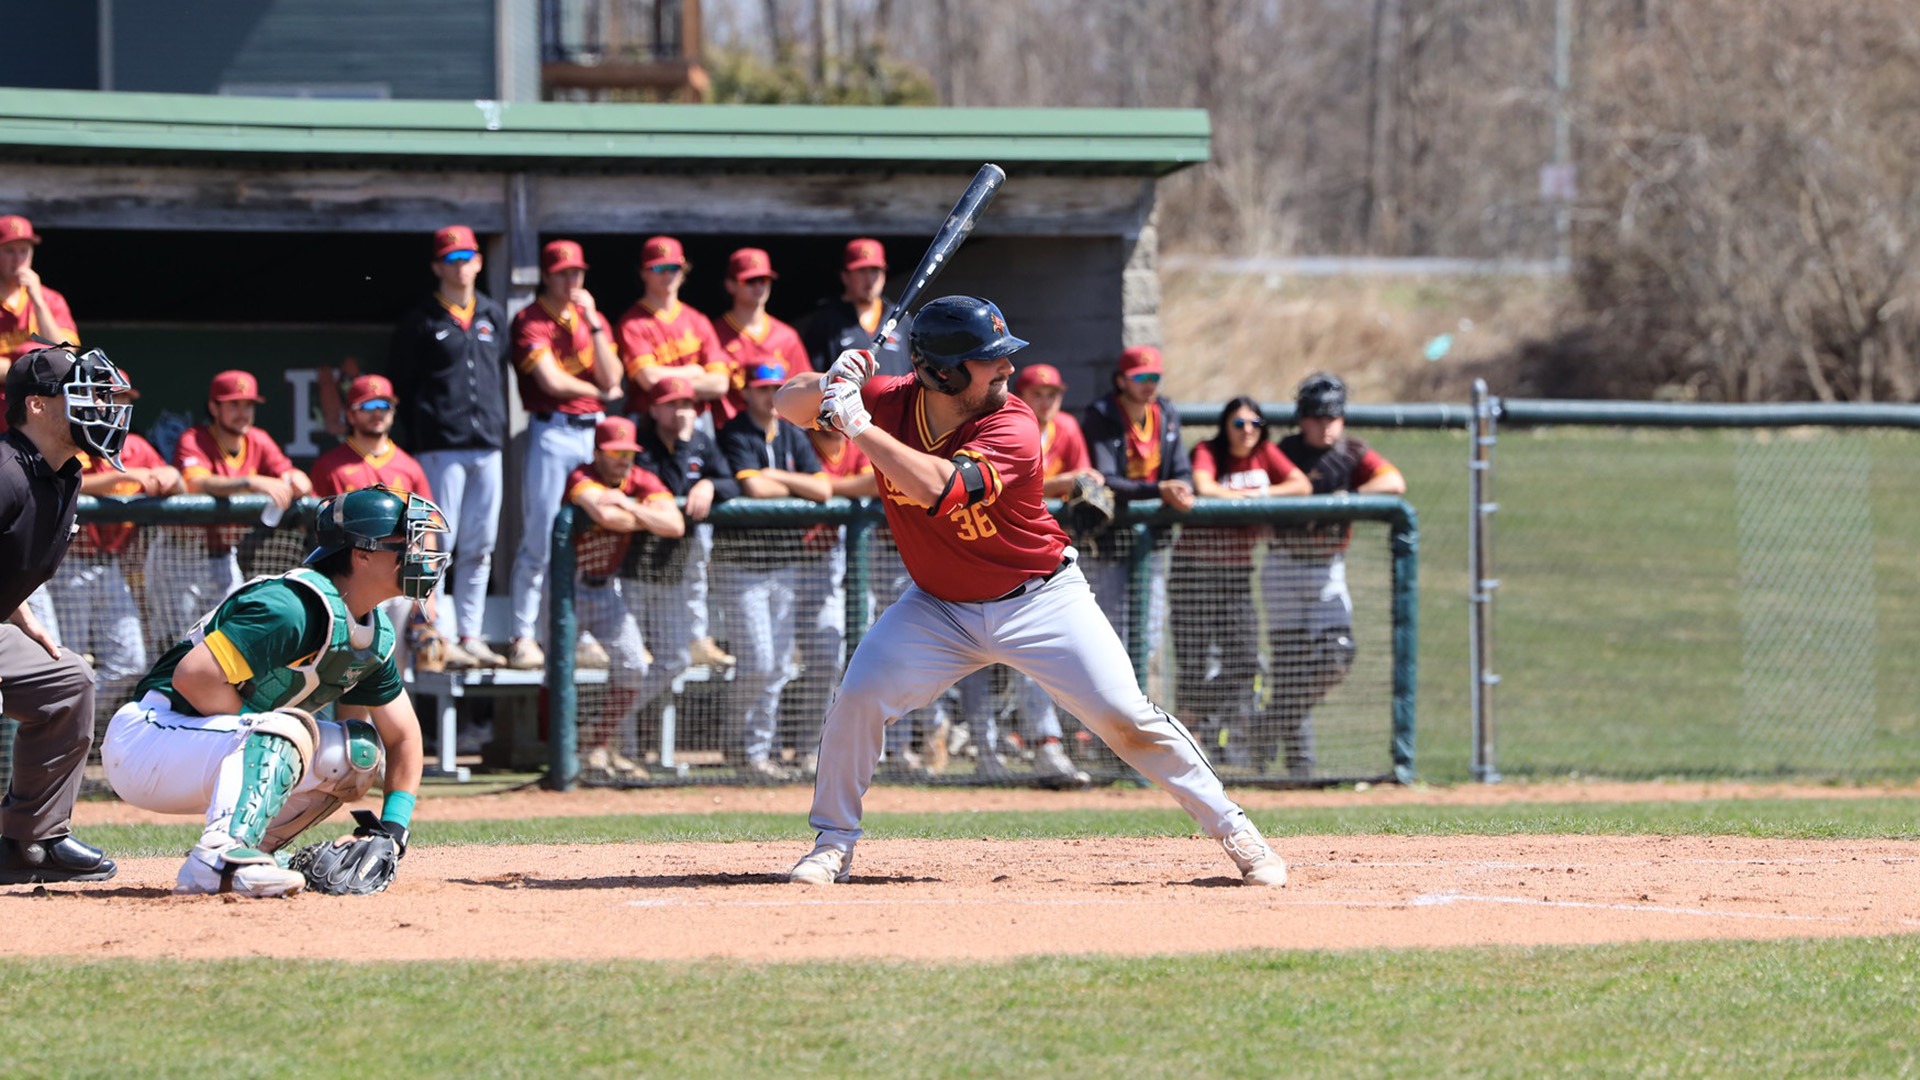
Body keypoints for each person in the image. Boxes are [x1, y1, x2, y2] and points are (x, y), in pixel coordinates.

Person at [776, 295, 1287, 887]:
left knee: (1125, 717)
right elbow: (789, 404)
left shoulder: (1013, 423)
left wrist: (856, 424)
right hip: (938, 607)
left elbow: (940, 488)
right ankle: (833, 841)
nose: (1007, 368)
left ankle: (1235, 828)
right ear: (943, 371)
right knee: (858, 699)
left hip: (1041, 599)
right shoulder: (889, 400)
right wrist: (832, 379)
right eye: (988, 359)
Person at [103, 484, 448, 897]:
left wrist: (392, 832)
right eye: (405, 544)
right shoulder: (293, 607)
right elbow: (193, 677)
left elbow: (403, 737)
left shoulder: (371, 635)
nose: (419, 554)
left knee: (358, 755)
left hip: (213, 748)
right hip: (149, 740)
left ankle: (255, 854)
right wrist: (261, 730)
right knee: (288, 729)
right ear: (362, 553)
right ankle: (220, 856)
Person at [0, 345, 130, 884]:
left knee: (68, 682)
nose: (99, 409)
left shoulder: (63, 475)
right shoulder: (5, 473)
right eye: (82, 396)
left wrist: (15, 607)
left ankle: (32, 839)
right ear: (36, 406)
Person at [1264, 373, 1406, 776]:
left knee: (1336, 656)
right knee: (1289, 665)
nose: (1326, 425)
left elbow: (1394, 481)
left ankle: (1265, 726)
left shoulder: (1351, 451)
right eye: (1317, 416)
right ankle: (1299, 767)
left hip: (1327, 567)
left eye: (1333, 416)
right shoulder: (1284, 452)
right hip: (1284, 565)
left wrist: (1353, 497)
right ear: (1302, 418)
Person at [388, 224, 510, 669]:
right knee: (439, 542)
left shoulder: (492, 315)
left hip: (487, 446)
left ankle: (471, 633)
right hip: (440, 446)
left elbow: (500, 368)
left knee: (481, 545)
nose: (461, 268)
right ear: (438, 266)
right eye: (452, 260)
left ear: (479, 261)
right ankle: (431, 632)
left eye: (468, 258)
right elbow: (402, 382)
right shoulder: (421, 318)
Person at [505, 238, 624, 670]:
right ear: (547, 275)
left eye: (578, 272)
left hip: (592, 434)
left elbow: (616, 375)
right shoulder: (530, 318)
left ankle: (575, 632)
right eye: (563, 273)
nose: (572, 279)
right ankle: (522, 635)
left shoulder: (590, 317)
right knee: (540, 535)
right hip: (553, 430)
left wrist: (592, 321)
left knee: (586, 537)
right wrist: (600, 392)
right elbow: (554, 382)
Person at [614, 235, 733, 670]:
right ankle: (635, 638)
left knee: (696, 554)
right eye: (660, 268)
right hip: (649, 434)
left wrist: (675, 381)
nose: (668, 276)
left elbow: (720, 384)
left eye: (675, 268)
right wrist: (693, 373)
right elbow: (647, 382)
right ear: (645, 272)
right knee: (639, 554)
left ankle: (695, 635)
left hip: (691, 433)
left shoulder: (698, 321)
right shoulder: (633, 321)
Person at [1180, 396, 1310, 770]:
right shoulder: (1208, 450)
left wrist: (1259, 495)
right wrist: (1239, 499)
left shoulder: (1266, 453)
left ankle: (1185, 716)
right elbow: (1204, 486)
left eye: (1255, 423)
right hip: (1193, 571)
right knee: (1193, 662)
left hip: (1236, 573)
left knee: (1245, 662)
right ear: (1226, 426)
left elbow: (1300, 485)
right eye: (1239, 424)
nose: (1247, 430)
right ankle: (1186, 745)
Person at [715, 360, 830, 782]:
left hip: (784, 564)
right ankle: (743, 745)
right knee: (759, 661)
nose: (769, 395)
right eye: (762, 388)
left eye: (775, 388)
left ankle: (755, 752)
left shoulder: (794, 434)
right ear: (746, 392)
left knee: (779, 664)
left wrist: (776, 474)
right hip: (740, 564)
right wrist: (784, 483)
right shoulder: (735, 432)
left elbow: (822, 489)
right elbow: (754, 488)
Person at [150, 369, 313, 650]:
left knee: (229, 639)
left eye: (248, 405)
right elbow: (196, 483)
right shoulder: (195, 438)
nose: (243, 412)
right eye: (234, 404)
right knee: (181, 645)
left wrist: (295, 480)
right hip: (181, 555)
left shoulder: (258, 440)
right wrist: (251, 482)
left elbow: (297, 477)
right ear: (214, 407)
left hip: (224, 556)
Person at [52, 367, 184, 702]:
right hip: (67, 564)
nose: (116, 407)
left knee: (129, 662)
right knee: (66, 659)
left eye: (122, 399)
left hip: (110, 565)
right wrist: (123, 479)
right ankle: (60, 726)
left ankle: (75, 722)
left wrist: (169, 475)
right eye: (110, 398)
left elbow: (179, 483)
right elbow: (61, 487)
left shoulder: (136, 446)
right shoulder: (70, 436)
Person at [565, 416, 684, 783]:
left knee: (634, 664)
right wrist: (644, 515)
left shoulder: (639, 480)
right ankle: (557, 752)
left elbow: (675, 525)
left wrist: (631, 506)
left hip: (606, 588)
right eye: (615, 453)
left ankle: (596, 742)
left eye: (628, 452)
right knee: (557, 670)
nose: (623, 460)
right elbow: (603, 514)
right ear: (598, 452)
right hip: (564, 588)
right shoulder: (580, 475)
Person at [627, 376, 740, 734]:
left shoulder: (702, 442)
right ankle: (614, 741)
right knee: (628, 662)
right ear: (654, 408)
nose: (683, 412)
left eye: (688, 405)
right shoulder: (640, 443)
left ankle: (612, 725)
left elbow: (730, 481)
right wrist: (686, 445)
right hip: (630, 567)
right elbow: (671, 486)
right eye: (674, 404)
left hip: (672, 568)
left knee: (674, 658)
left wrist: (708, 483)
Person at [310, 373, 441, 673]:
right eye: (368, 406)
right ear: (351, 414)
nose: (378, 412)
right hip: (349, 583)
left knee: (393, 674)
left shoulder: (409, 467)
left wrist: (426, 590)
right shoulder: (330, 466)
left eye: (384, 404)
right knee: (342, 671)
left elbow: (427, 531)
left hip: (397, 580)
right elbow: (320, 534)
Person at [1079, 345, 1192, 687]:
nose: (1149, 384)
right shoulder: (1102, 413)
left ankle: (1132, 707)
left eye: (1154, 377)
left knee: (1149, 630)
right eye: (1140, 377)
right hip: (1109, 537)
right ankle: (1098, 719)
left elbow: (1181, 471)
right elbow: (1107, 478)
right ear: (1121, 380)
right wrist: (1160, 491)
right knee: (1108, 627)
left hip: (1152, 538)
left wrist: (1180, 489)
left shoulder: (1166, 412)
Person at [788, 424, 877, 776]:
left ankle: (817, 747)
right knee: (771, 664)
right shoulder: (798, 440)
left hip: (830, 563)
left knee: (831, 655)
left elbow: (872, 483)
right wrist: (813, 488)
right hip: (780, 560)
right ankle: (757, 751)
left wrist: (819, 489)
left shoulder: (858, 441)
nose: (831, 419)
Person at [0, 216, 82, 432]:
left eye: (23, 251)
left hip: (37, 412)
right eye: (9, 251)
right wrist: (27, 366)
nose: (17, 259)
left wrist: (37, 299)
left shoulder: (49, 299)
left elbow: (67, 353)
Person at [714, 247, 808, 427]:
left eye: (764, 280)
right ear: (730, 284)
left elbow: (804, 391)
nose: (758, 286)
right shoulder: (715, 333)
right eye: (749, 280)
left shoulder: (787, 336)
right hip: (728, 437)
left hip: (780, 436)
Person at [799, 238, 914, 378]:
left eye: (875, 271)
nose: (870, 279)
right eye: (861, 271)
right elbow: (812, 380)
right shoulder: (825, 321)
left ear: (884, 275)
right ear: (845, 276)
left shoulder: (901, 318)